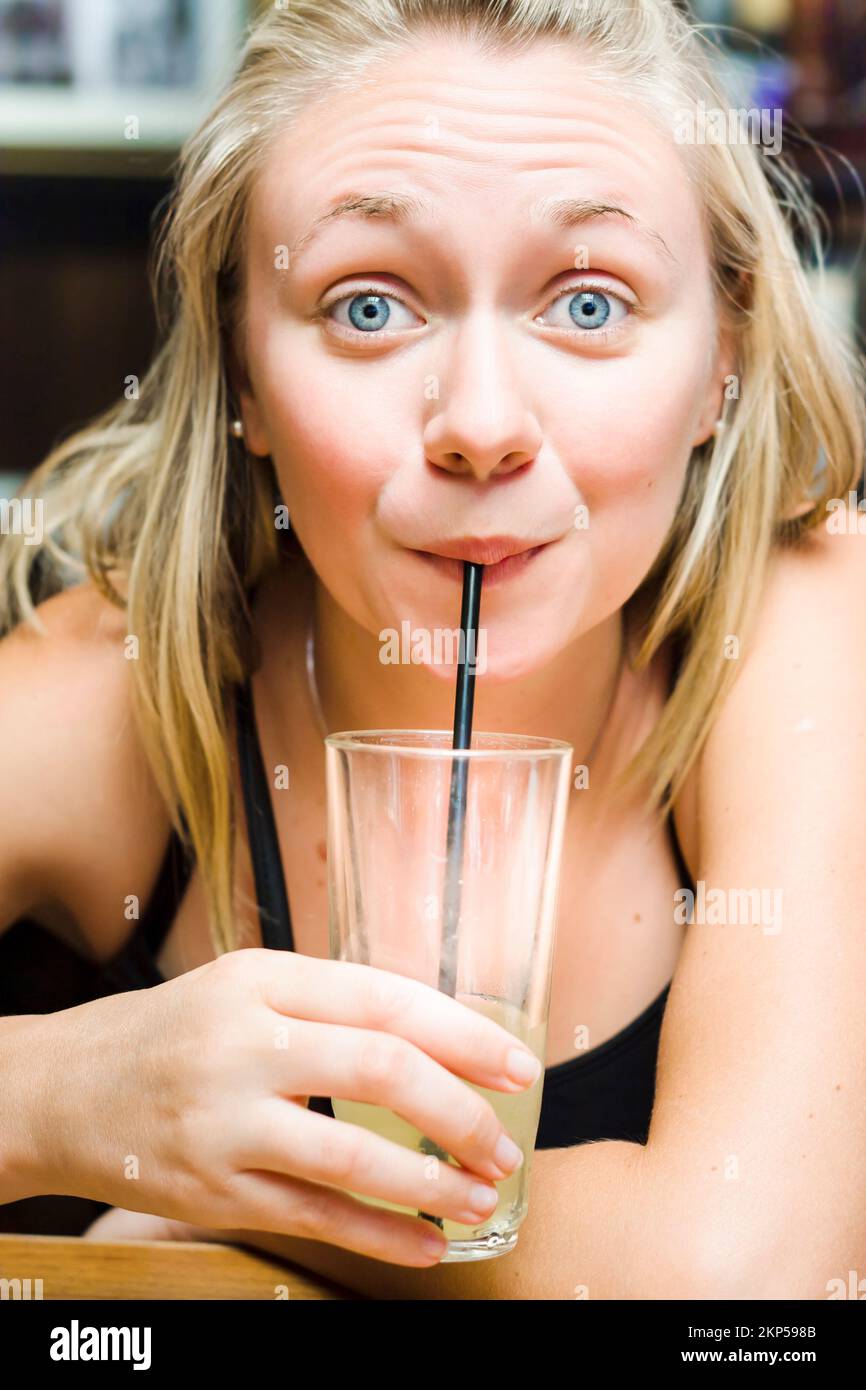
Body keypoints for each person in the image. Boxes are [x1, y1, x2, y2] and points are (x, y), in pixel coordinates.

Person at [1, 0, 864, 1300]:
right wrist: (63, 1094)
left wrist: (266, 1202)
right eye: (365, 307)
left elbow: (735, 1268)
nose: (478, 423)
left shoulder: (809, 616)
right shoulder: (111, 690)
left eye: (586, 300)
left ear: (719, 363)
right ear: (241, 372)